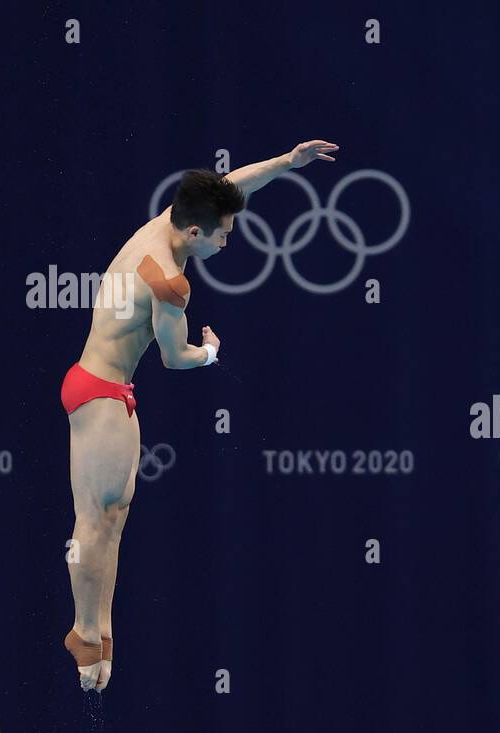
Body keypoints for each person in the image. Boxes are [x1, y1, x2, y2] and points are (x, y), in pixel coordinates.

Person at [61, 140, 340, 691]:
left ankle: (103, 630)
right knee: (94, 523)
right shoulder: (170, 282)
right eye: (224, 235)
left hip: (98, 387)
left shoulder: (171, 219)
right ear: (195, 233)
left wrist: (287, 163)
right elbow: (174, 359)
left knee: (112, 519)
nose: (227, 240)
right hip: (102, 395)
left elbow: (230, 186)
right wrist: (210, 350)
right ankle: (83, 633)